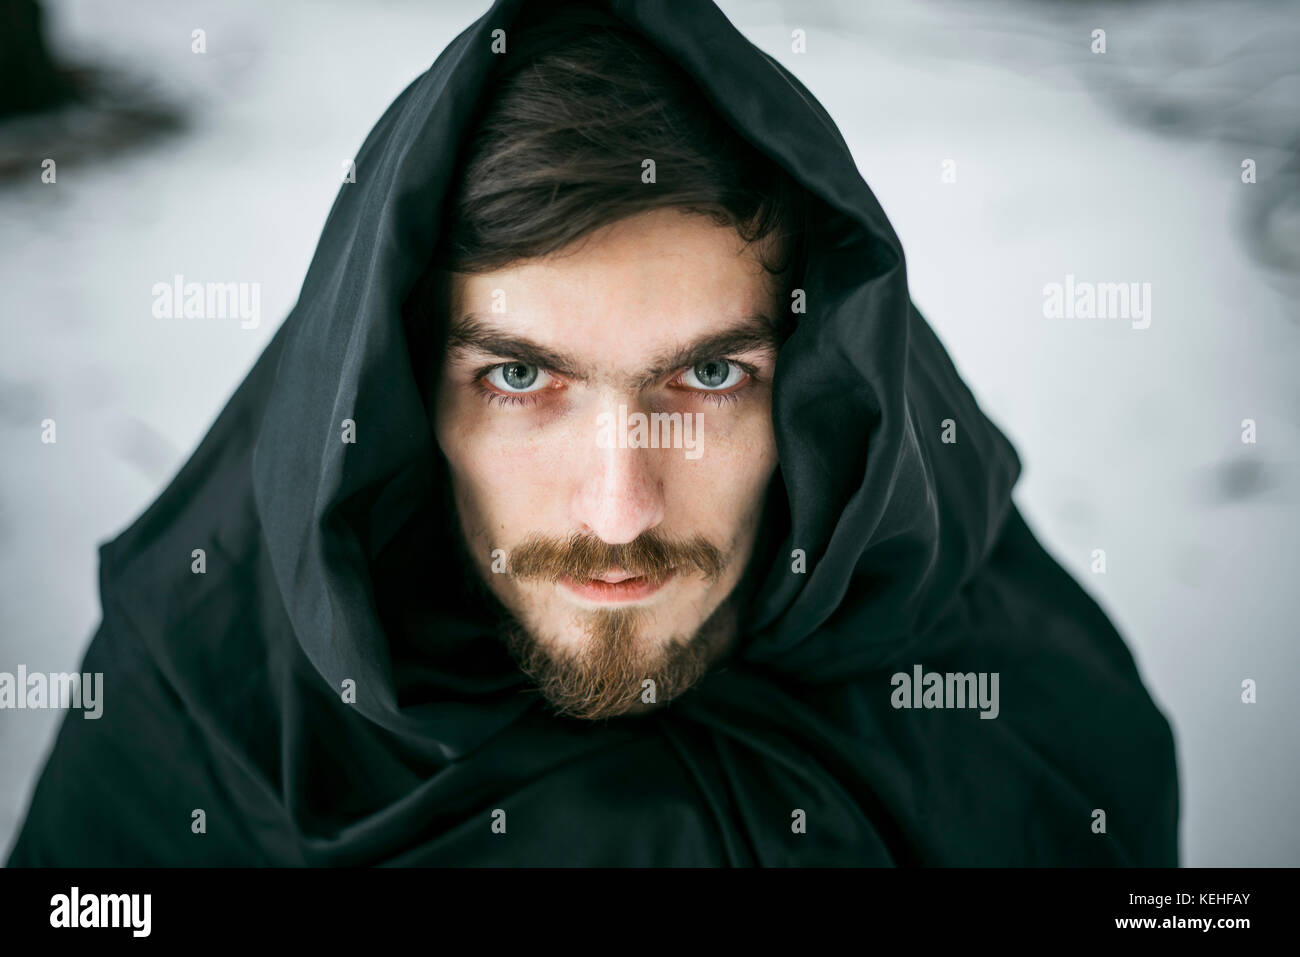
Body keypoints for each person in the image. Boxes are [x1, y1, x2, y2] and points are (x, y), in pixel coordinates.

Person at [6, 0, 1179, 866]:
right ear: (404, 395)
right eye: (520, 376)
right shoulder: (213, 705)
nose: (619, 509)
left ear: (822, 383)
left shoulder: (1001, 692)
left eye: (710, 373)